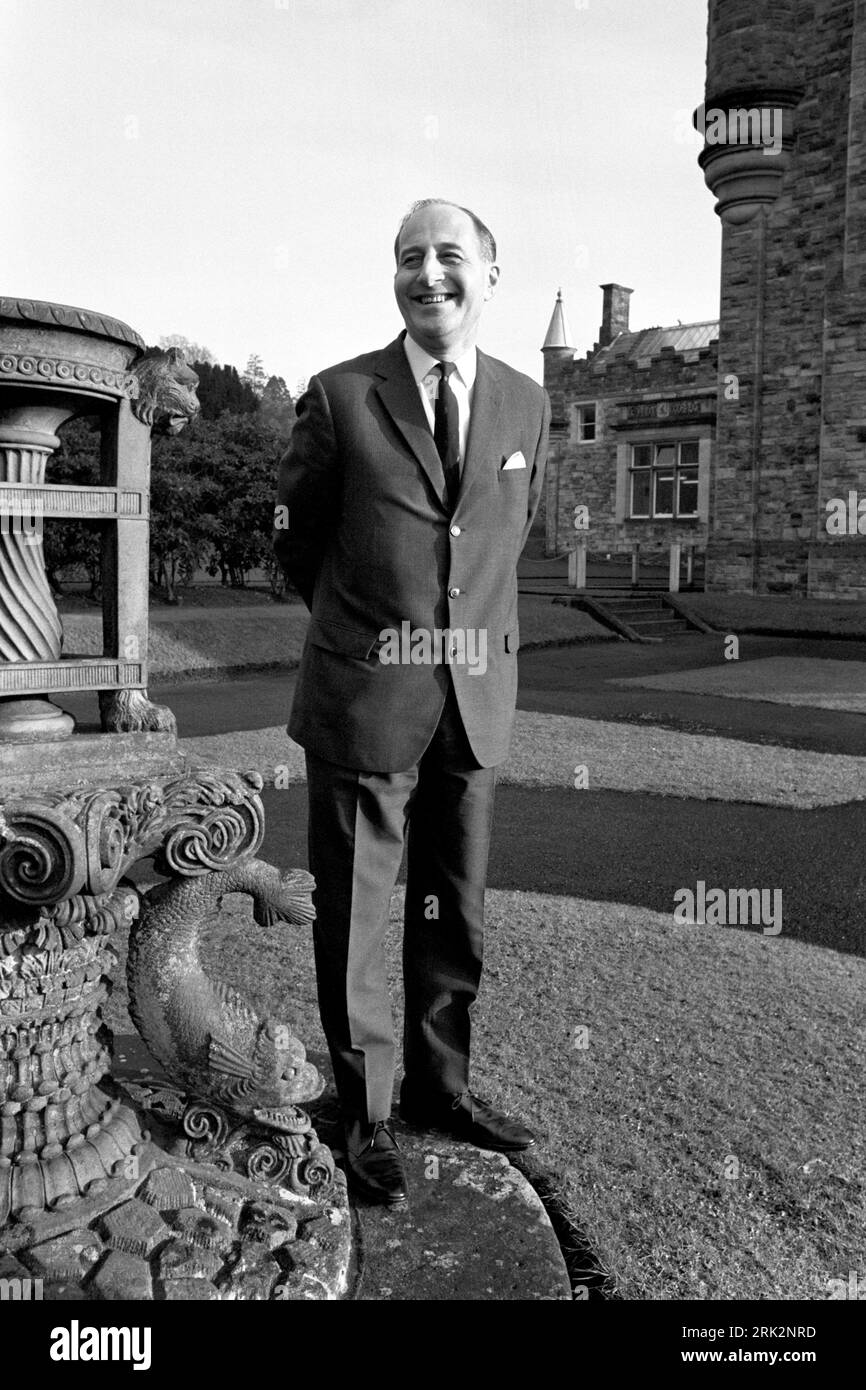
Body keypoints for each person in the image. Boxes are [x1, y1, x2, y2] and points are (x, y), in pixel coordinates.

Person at [273, 198, 550, 1206]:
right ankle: (369, 1114)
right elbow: (298, 545)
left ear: (489, 272)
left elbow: (498, 545)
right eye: (405, 259)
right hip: (363, 699)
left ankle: (442, 1091)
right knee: (354, 914)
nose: (425, 275)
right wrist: (368, 637)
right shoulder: (339, 394)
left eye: (446, 256)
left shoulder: (526, 404)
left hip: (472, 703)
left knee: (452, 908)